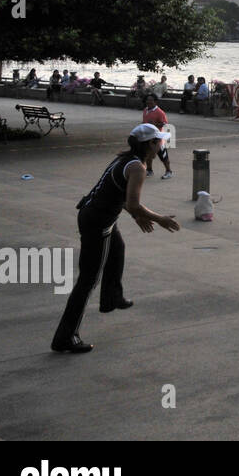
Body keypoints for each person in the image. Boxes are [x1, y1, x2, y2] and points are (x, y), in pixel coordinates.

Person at [51, 124, 182, 353]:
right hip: (98, 222)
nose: (161, 144)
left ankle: (112, 297)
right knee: (88, 281)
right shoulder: (138, 168)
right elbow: (132, 203)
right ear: (150, 144)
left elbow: (118, 195)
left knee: (117, 249)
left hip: (95, 215)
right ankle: (65, 337)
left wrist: (136, 215)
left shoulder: (125, 160)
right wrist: (158, 218)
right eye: (158, 141)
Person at [141, 94, 173, 180]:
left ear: (155, 101)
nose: (149, 102)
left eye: (151, 100)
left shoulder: (160, 112)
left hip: (157, 137)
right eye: (147, 100)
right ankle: (149, 170)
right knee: (147, 155)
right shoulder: (145, 110)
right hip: (147, 137)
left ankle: (169, 171)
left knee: (163, 155)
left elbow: (165, 124)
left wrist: (155, 124)